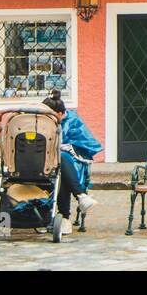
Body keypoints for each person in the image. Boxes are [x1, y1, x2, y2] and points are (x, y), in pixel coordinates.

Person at [42, 92, 101, 234]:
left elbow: (84, 144)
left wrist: (65, 147)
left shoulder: (73, 121)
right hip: (45, 162)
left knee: (61, 167)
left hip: (73, 162)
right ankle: (80, 196)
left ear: (61, 113)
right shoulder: (40, 122)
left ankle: (64, 218)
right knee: (59, 165)